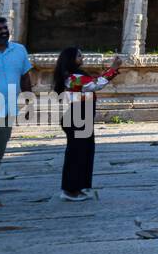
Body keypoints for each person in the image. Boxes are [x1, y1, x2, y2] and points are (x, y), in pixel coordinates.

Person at [52, 48, 122, 202]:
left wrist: (111, 70)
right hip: (77, 119)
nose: (82, 57)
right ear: (71, 59)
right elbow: (94, 85)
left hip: (81, 118)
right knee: (76, 155)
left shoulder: (74, 75)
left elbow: (92, 83)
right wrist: (113, 69)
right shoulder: (72, 77)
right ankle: (70, 189)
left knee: (85, 152)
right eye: (79, 55)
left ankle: (81, 186)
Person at [0, 16, 33, 209]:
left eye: (4, 29)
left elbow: (25, 76)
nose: (3, 32)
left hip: (7, 110)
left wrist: (28, 100)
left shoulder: (19, 50)